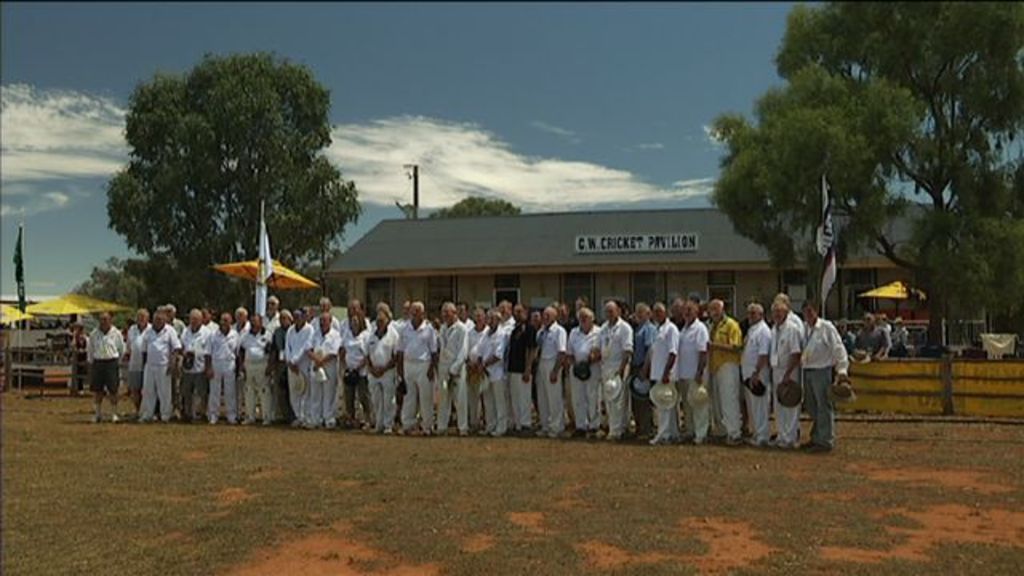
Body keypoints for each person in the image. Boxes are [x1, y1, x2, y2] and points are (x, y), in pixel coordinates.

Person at [800, 300, 849, 453]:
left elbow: (838, 348)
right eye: (805, 311)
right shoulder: (804, 328)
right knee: (811, 406)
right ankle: (817, 436)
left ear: (817, 311)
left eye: (810, 311)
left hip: (822, 370)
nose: (808, 314)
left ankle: (825, 440)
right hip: (807, 370)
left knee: (823, 406)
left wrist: (842, 370)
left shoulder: (826, 327)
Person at [397, 301, 439, 436]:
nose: (414, 314)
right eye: (412, 311)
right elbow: (400, 351)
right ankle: (408, 424)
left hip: (424, 364)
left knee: (426, 397)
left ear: (423, 313)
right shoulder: (404, 328)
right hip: (408, 364)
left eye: (417, 311)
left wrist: (431, 369)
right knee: (409, 397)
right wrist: (400, 370)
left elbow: (434, 352)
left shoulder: (429, 329)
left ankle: (427, 426)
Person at [708, 299, 744, 446]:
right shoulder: (711, 326)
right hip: (715, 366)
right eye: (712, 309)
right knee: (717, 402)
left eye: (717, 309)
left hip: (728, 365)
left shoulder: (731, 325)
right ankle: (722, 431)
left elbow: (736, 347)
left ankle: (734, 433)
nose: (714, 312)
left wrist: (715, 346)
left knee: (729, 400)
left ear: (723, 310)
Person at [597, 301, 634, 442]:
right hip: (605, 366)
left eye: (611, 311)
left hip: (619, 366)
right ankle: (616, 427)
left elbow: (627, 350)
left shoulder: (625, 328)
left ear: (618, 311)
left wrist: (621, 369)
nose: (609, 314)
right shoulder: (603, 328)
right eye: (607, 311)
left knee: (618, 400)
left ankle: (616, 431)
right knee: (608, 399)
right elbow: (598, 347)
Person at [770, 299, 803, 449]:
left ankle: (790, 438)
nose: (777, 314)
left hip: (789, 371)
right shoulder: (773, 329)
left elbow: (796, 353)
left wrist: (788, 373)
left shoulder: (792, 329)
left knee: (790, 404)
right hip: (776, 370)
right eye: (774, 311)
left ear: (786, 312)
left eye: (779, 311)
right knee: (779, 405)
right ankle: (781, 435)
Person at [139, 308, 182, 423]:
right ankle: (147, 414)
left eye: (160, 319)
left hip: (164, 366)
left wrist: (172, 363)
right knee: (148, 391)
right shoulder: (148, 332)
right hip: (150, 365)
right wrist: (145, 365)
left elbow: (176, 349)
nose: (158, 321)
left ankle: (165, 415)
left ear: (165, 320)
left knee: (164, 393)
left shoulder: (170, 331)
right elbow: (144, 350)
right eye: (156, 319)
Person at [677, 299, 710, 444]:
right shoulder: (683, 329)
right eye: (685, 310)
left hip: (695, 374)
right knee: (687, 405)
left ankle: (701, 433)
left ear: (696, 312)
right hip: (683, 373)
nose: (687, 313)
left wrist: (700, 372)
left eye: (690, 310)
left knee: (699, 404)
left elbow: (703, 352)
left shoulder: (700, 328)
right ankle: (690, 431)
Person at [647, 303, 679, 445]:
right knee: (666, 405)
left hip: (666, 374)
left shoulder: (671, 329)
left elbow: (673, 352)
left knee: (664, 405)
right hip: (657, 372)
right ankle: (672, 433)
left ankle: (663, 435)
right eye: (655, 312)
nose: (657, 315)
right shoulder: (657, 329)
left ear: (665, 313)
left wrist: (667, 372)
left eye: (659, 312)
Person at [567, 307, 601, 438]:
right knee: (578, 398)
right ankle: (580, 425)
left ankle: (594, 426)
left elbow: (600, 351)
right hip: (576, 367)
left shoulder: (599, 332)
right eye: (580, 317)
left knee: (593, 397)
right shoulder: (574, 332)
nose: (583, 320)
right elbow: (569, 352)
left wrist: (589, 362)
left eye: (585, 317)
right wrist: (575, 365)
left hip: (593, 367)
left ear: (592, 319)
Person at [741, 303, 772, 447]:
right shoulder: (752, 330)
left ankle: (762, 436)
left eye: (753, 313)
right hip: (748, 374)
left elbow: (763, 354)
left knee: (760, 406)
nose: (750, 316)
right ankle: (756, 433)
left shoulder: (763, 331)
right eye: (749, 313)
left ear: (761, 314)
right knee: (752, 407)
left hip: (758, 374)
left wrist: (756, 373)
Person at [534, 306, 568, 439]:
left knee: (554, 398)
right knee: (542, 397)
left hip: (552, 363)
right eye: (544, 315)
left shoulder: (559, 331)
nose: (546, 317)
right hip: (541, 364)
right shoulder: (541, 332)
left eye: (549, 315)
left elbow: (562, 352)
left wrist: (555, 370)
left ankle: (556, 427)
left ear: (555, 316)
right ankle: (545, 426)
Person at [437, 302, 470, 436]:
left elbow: (463, 351)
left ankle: (463, 427)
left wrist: (454, 369)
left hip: (457, 368)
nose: (444, 315)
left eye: (447, 312)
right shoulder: (443, 328)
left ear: (454, 313)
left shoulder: (462, 329)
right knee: (443, 399)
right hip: (443, 367)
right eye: (443, 312)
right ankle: (442, 426)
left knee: (460, 399)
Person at [340, 300, 373, 429]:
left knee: (363, 395)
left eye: (356, 322)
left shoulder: (365, 335)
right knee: (349, 396)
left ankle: (368, 419)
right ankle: (351, 418)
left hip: (361, 370)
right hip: (349, 369)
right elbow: (342, 350)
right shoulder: (347, 334)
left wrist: (358, 368)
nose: (354, 324)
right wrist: (345, 366)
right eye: (352, 322)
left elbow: (367, 355)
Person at [366, 304, 399, 434]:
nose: (379, 322)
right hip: (373, 372)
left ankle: (388, 425)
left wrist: (384, 369)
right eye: (378, 320)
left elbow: (396, 356)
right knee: (376, 400)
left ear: (388, 320)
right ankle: (378, 424)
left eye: (382, 320)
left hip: (387, 372)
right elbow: (367, 354)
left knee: (388, 400)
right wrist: (372, 368)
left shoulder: (393, 335)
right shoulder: (371, 335)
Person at [505, 303, 538, 435]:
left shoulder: (530, 329)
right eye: (515, 312)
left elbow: (532, 349)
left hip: (523, 369)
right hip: (513, 368)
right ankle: (517, 424)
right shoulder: (515, 330)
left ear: (526, 312)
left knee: (524, 398)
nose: (517, 314)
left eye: (519, 312)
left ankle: (525, 424)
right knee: (515, 398)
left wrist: (528, 368)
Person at [87, 312, 125, 423]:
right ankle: (97, 414)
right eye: (101, 319)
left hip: (111, 362)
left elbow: (121, 349)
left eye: (105, 319)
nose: (103, 322)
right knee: (97, 390)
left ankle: (114, 414)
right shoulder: (94, 334)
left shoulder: (116, 333)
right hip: (98, 362)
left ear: (110, 320)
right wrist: (91, 362)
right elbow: (90, 349)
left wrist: (116, 360)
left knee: (113, 390)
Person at [478, 309, 511, 437]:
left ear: (498, 320)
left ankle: (501, 427)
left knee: (499, 401)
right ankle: (490, 425)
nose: (490, 321)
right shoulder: (486, 333)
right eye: (488, 318)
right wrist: (480, 364)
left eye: (492, 319)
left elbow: (498, 355)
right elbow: (480, 350)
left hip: (497, 373)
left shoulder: (502, 334)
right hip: (485, 373)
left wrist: (484, 364)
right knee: (488, 401)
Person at [239, 314, 273, 425]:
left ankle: (266, 417)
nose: (253, 323)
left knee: (264, 391)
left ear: (261, 322)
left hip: (262, 365)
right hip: (249, 365)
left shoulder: (267, 335)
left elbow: (272, 352)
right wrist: (242, 365)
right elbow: (241, 351)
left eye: (256, 321)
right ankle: (250, 416)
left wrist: (270, 366)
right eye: (252, 321)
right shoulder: (245, 335)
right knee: (249, 391)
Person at [207, 312, 240, 425]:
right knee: (214, 391)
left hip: (230, 363)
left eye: (226, 320)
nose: (224, 322)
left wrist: (238, 368)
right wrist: (209, 367)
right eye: (222, 320)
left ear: (231, 321)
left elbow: (238, 353)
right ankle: (213, 415)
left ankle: (231, 415)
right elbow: (208, 353)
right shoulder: (213, 334)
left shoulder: (235, 335)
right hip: (216, 362)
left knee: (230, 391)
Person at [311, 311, 342, 429]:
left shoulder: (336, 335)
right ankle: (316, 419)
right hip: (315, 366)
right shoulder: (315, 334)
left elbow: (334, 352)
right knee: (316, 393)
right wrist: (316, 360)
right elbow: (308, 349)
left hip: (329, 366)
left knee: (329, 393)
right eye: (321, 320)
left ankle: (328, 418)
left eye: (324, 320)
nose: (322, 323)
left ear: (330, 321)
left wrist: (321, 361)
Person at [285, 309, 315, 427]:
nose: (297, 319)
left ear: (303, 317)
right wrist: (289, 361)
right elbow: (287, 346)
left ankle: (306, 417)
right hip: (291, 365)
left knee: (306, 391)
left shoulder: (310, 329)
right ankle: (298, 416)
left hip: (304, 363)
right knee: (294, 391)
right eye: (295, 316)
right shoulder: (290, 330)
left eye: (299, 316)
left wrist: (295, 361)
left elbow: (306, 346)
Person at [630, 303, 656, 440]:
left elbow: (650, 349)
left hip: (643, 367)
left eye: (642, 312)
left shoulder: (649, 329)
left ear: (648, 314)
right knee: (636, 401)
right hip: (635, 367)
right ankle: (639, 428)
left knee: (644, 401)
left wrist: (645, 369)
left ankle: (647, 429)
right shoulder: (637, 328)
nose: (639, 315)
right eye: (637, 312)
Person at [180, 309, 210, 423]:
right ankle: (188, 413)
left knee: (201, 393)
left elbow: (208, 351)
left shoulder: (207, 333)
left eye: (196, 319)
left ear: (201, 320)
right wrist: (185, 353)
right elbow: (182, 346)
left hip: (200, 367)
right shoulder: (185, 331)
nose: (193, 321)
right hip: (187, 367)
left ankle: (201, 413)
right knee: (186, 392)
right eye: (191, 319)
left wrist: (207, 367)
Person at [465, 307, 489, 434]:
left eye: (480, 316)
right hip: (471, 368)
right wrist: (469, 364)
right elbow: (466, 349)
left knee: (485, 397)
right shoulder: (469, 333)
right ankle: (474, 422)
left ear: (485, 317)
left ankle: (487, 422)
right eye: (476, 316)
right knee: (472, 397)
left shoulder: (488, 332)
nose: (478, 318)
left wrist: (481, 364)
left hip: (484, 368)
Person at [268, 310, 294, 424]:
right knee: (280, 390)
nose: (282, 321)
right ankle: (284, 415)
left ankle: (294, 415)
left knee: (292, 390)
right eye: (280, 319)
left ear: (290, 319)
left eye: (284, 318)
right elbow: (274, 349)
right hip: (280, 363)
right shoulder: (277, 331)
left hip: (292, 363)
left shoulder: (293, 331)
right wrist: (271, 365)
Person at [124, 308, 150, 417]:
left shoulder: (151, 329)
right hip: (134, 364)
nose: (141, 319)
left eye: (143, 317)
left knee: (147, 390)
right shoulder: (132, 329)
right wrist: (127, 354)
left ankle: (147, 411)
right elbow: (128, 345)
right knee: (135, 390)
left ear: (147, 318)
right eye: (139, 317)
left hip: (147, 365)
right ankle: (138, 410)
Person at [70, 321, 89, 396]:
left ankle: (82, 388)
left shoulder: (85, 337)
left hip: (84, 356)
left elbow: (88, 345)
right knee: (77, 372)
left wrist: (84, 350)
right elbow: (73, 345)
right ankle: (78, 388)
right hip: (77, 357)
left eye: (79, 328)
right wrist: (77, 350)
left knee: (83, 372)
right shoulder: (75, 337)